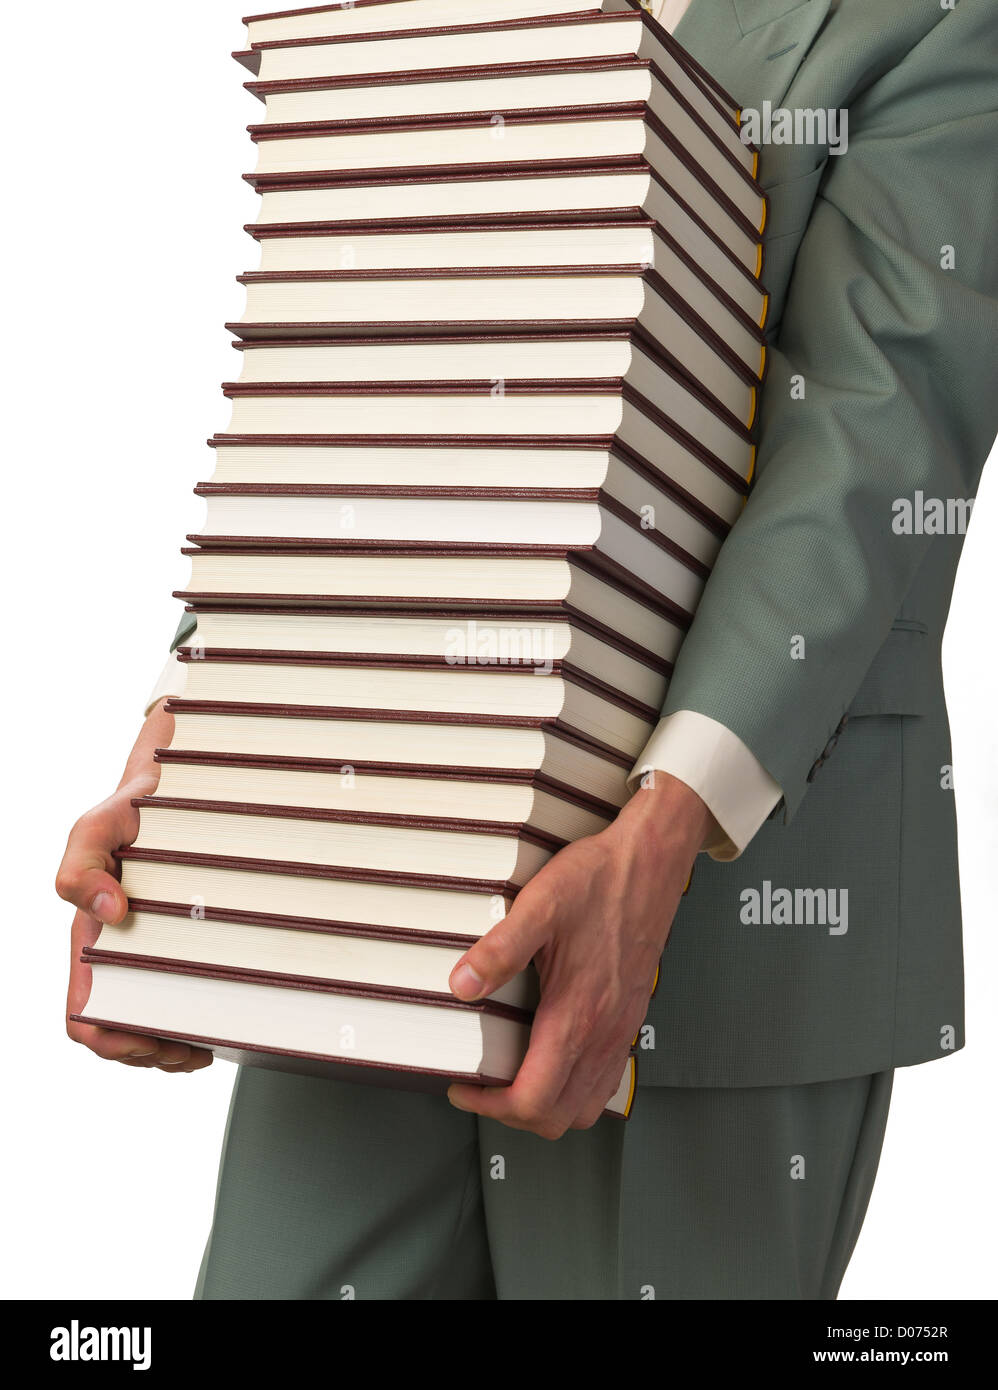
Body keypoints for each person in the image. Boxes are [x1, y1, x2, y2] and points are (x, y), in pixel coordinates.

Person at [56, 0, 998, 1299]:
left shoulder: (937, 23)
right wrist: (195, 753)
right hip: (372, 881)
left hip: (734, 921)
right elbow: (345, 382)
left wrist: (665, 825)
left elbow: (866, 440)